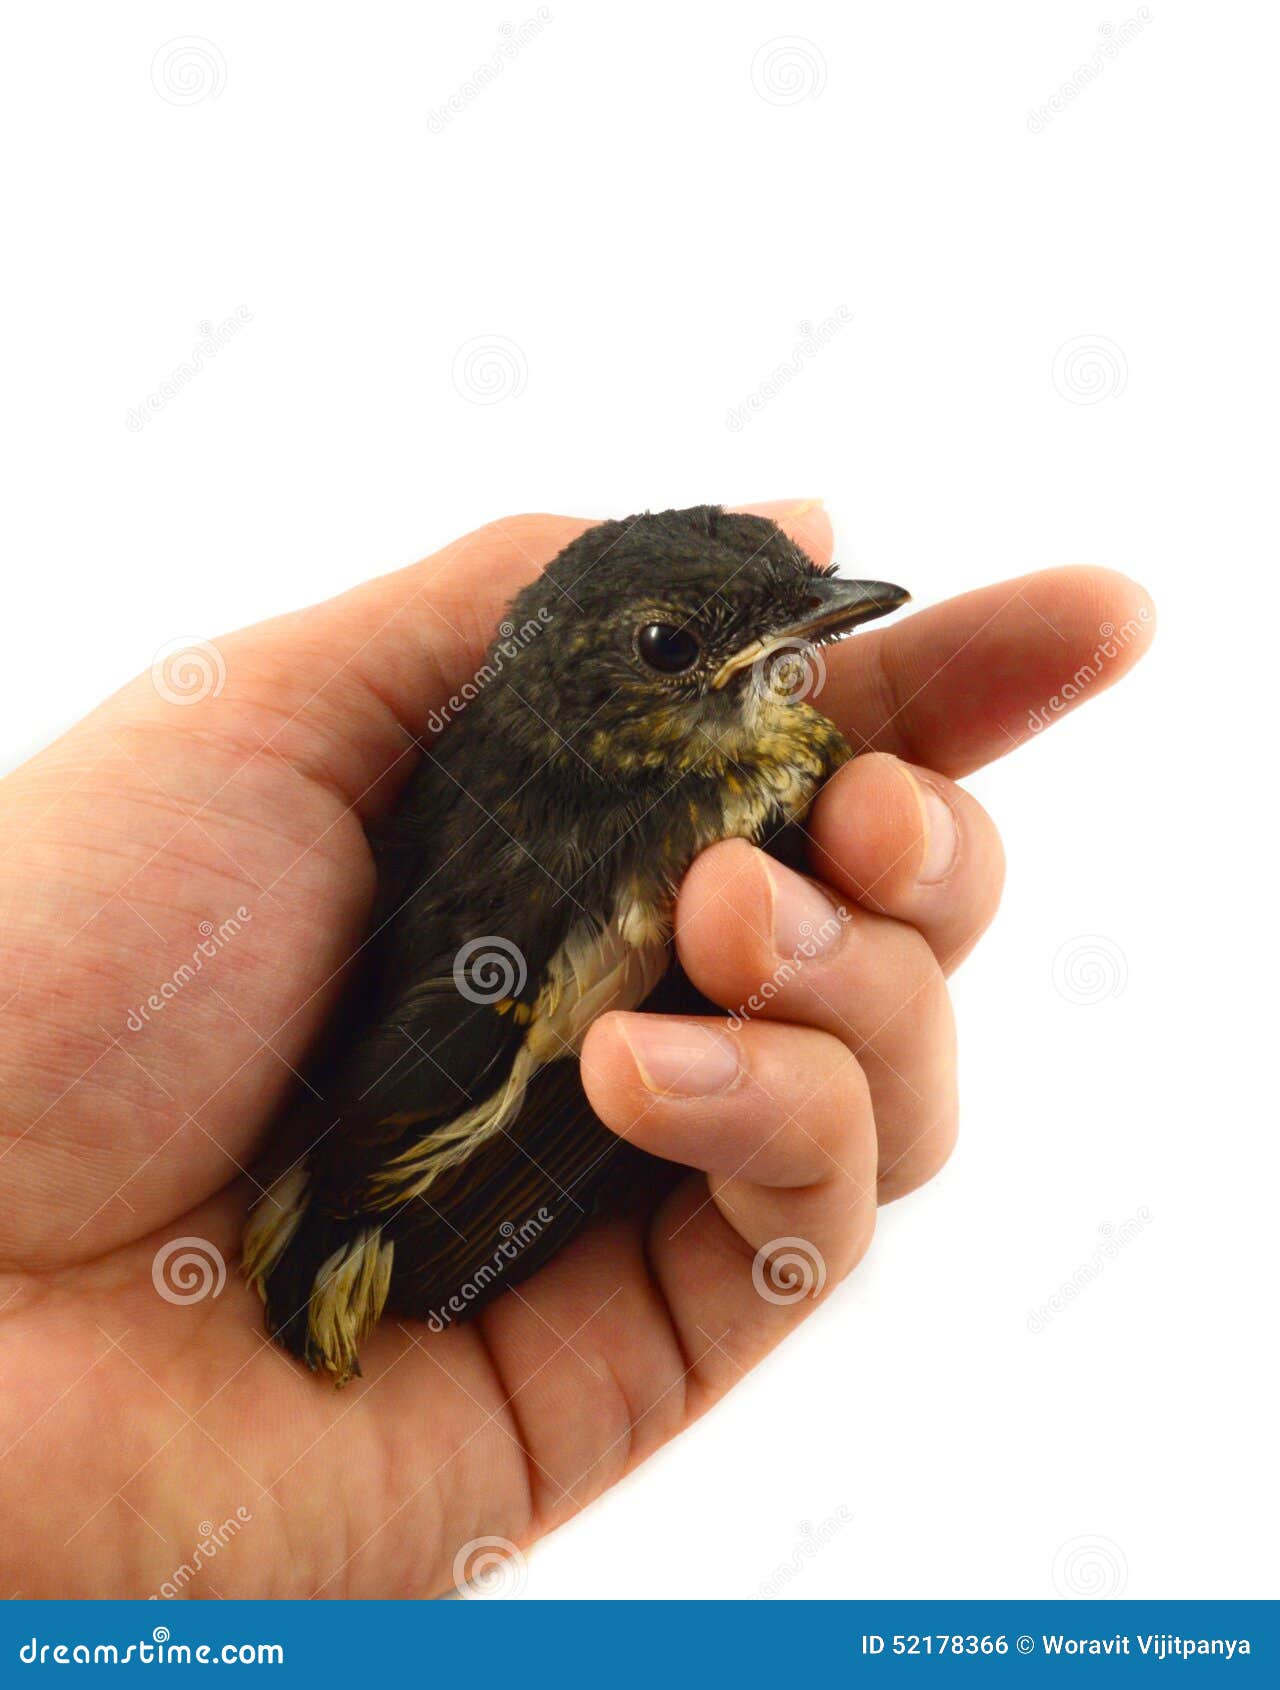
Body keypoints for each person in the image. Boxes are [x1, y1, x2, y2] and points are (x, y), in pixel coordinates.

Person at [0, 500, 1152, 1597]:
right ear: (586, 677)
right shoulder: (701, 812)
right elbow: (484, 1095)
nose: (810, 641)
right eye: (667, 646)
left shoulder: (689, 767)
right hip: (390, 1210)